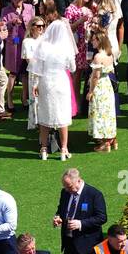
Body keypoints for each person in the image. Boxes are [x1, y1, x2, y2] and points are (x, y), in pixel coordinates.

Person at [28, 18, 77, 160]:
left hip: (46, 82)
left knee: (45, 116)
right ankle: (64, 149)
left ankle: (43, 149)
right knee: (62, 117)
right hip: (61, 82)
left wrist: (36, 84)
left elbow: (38, 68)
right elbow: (72, 68)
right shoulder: (66, 48)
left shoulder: (44, 46)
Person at [53, 168, 107, 254]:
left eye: (69, 186)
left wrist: (80, 224)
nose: (67, 189)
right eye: (65, 187)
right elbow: (61, 209)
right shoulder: (65, 193)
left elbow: (102, 217)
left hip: (88, 248)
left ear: (78, 180)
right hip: (69, 245)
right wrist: (58, 217)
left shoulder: (94, 194)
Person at [86, 28, 118, 152]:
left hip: (100, 87)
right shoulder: (109, 54)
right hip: (107, 86)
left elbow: (95, 76)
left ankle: (104, 143)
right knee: (108, 112)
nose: (92, 42)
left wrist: (90, 91)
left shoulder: (98, 56)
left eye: (94, 40)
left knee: (100, 112)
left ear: (99, 41)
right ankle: (112, 138)